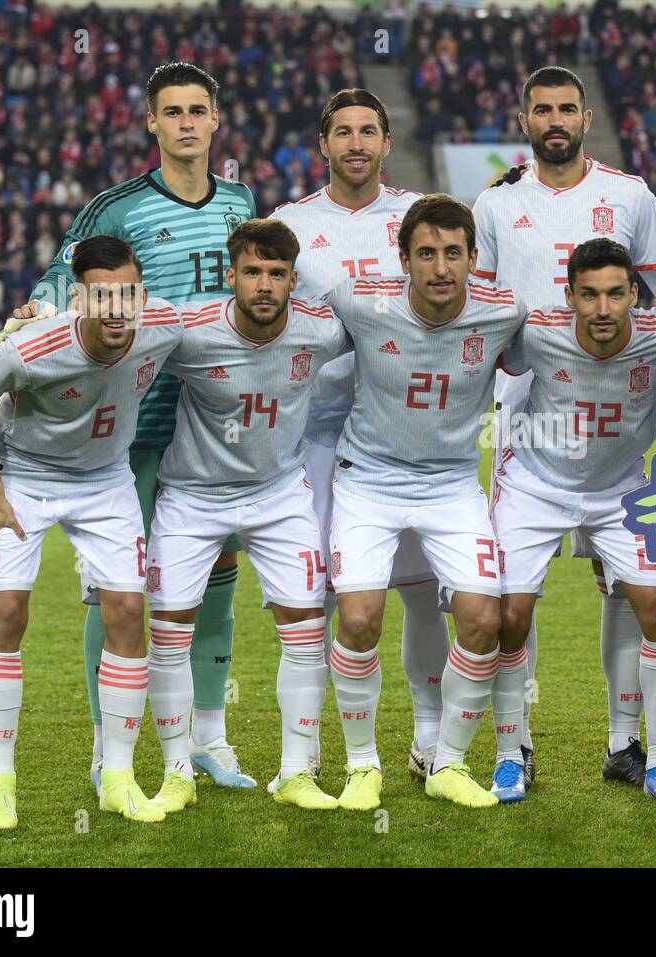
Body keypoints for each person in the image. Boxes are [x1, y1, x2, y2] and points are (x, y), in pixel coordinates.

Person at [7, 62, 259, 792]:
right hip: (138, 423)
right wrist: (38, 310)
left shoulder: (239, 200)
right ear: (151, 122)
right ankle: (103, 750)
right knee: (118, 589)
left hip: (218, 425)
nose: (186, 122)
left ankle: (209, 738)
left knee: (217, 578)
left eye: (198, 110)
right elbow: (62, 277)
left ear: (216, 120)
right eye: (171, 111)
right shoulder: (115, 208)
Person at [473, 65, 656, 791]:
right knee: (511, 606)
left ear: (586, 116)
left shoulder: (628, 195)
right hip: (530, 420)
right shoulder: (495, 204)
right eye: (542, 109)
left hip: (620, 421)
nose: (555, 119)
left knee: (640, 596)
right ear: (525, 118)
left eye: (567, 107)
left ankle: (640, 748)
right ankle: (515, 746)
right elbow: (480, 313)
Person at [0, 235, 184, 828]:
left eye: (127, 294)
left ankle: (117, 777)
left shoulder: (163, 326)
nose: (117, 308)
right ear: (78, 298)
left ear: (142, 293)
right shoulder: (31, 347)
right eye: (102, 295)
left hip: (106, 479)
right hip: (25, 478)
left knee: (129, 616)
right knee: (7, 611)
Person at [269, 88, 451, 785]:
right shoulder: (288, 224)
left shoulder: (418, 219)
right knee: (311, 596)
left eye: (367, 131)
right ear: (322, 143)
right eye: (341, 132)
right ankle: (306, 748)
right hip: (312, 436)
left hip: (404, 433)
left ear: (385, 142)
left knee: (419, 588)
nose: (354, 143)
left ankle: (430, 735)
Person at [321, 194, 526, 810]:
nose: (442, 268)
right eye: (427, 254)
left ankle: (448, 763)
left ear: (473, 258)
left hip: (452, 485)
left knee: (485, 621)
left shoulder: (503, 312)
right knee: (357, 619)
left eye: (454, 254)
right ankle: (362, 767)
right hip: (366, 479)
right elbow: (287, 326)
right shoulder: (360, 301)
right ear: (403, 259)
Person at [143, 218, 350, 813]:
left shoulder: (321, 333)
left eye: (277, 274)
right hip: (191, 496)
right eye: (253, 272)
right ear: (230, 276)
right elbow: (112, 345)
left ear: (293, 281)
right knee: (168, 633)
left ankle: (296, 773)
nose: (264, 285)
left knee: (308, 629)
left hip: (280, 494)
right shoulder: (189, 332)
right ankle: (178, 767)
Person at [489, 238, 656, 806]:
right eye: (589, 295)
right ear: (568, 295)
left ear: (634, 296)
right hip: (535, 485)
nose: (602, 309)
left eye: (616, 294)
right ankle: (510, 755)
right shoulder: (537, 331)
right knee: (509, 616)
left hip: (621, 488)